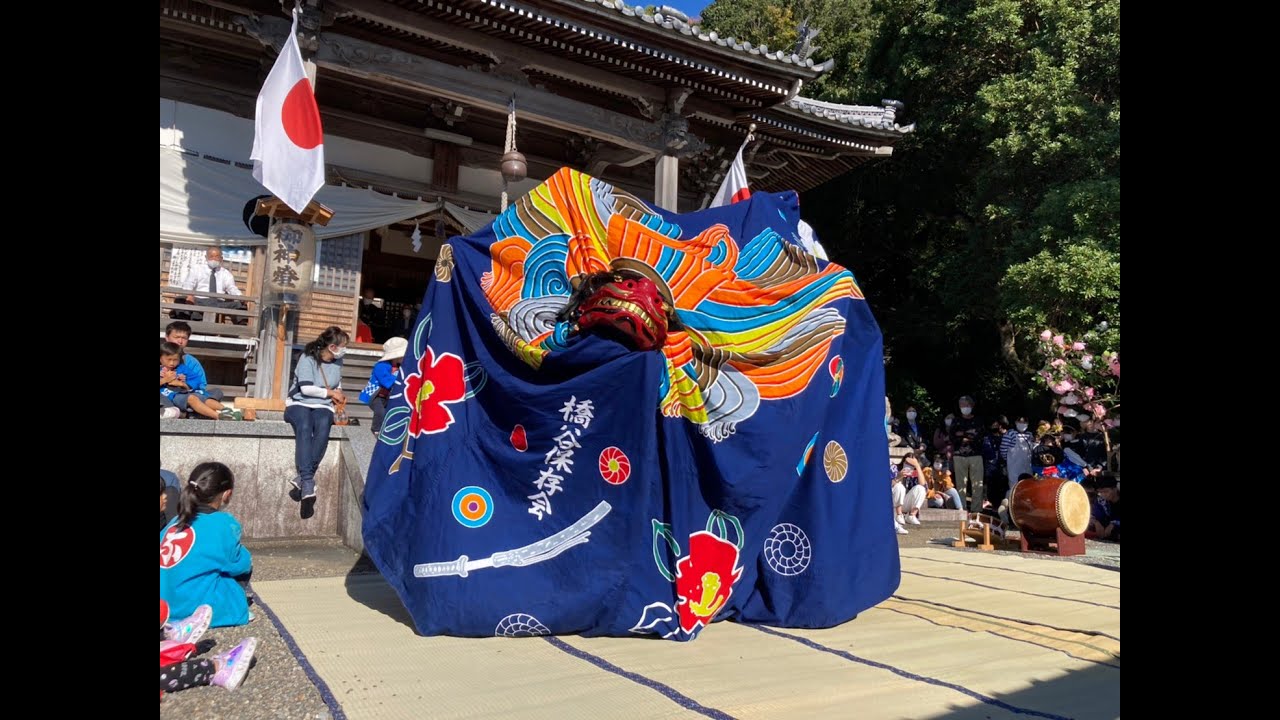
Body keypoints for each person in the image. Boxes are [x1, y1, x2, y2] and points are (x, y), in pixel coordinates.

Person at [160, 462, 253, 627]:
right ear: (227, 494)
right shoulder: (224, 523)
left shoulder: (174, 522)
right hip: (191, 609)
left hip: (164, 607)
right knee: (236, 565)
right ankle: (231, 607)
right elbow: (241, 565)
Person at [285, 326, 349, 519]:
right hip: (299, 403)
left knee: (322, 428)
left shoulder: (338, 362)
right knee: (304, 426)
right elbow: (305, 389)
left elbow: (337, 384)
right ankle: (308, 480)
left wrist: (337, 394)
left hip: (324, 406)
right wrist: (331, 393)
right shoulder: (307, 358)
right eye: (343, 346)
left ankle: (303, 480)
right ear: (332, 346)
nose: (344, 350)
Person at [161, 341, 227, 420]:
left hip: (188, 393)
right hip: (173, 397)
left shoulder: (182, 368)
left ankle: (226, 411)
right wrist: (165, 380)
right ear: (160, 358)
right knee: (192, 398)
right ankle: (218, 416)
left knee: (211, 393)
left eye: (175, 360)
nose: (172, 363)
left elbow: (196, 380)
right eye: (168, 359)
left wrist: (182, 384)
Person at [179, 247, 245, 323]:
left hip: (218, 303)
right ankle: (182, 325)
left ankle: (241, 331)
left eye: (217, 256)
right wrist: (189, 295)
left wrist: (240, 296)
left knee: (241, 305)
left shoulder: (226, 274)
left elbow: (231, 288)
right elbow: (189, 283)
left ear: (221, 258)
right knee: (180, 300)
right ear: (206, 257)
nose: (214, 259)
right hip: (200, 300)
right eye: (211, 256)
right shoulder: (197, 269)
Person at [360, 336, 407, 436]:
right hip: (375, 395)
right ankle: (375, 430)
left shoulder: (399, 367)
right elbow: (387, 382)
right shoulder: (381, 366)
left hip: (388, 396)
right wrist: (399, 375)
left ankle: (386, 430)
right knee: (380, 412)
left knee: (389, 413)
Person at [950, 396, 986, 511]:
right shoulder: (956, 420)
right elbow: (952, 436)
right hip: (959, 455)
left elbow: (979, 436)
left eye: (966, 405)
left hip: (976, 454)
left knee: (977, 485)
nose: (964, 408)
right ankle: (962, 509)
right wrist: (965, 437)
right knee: (961, 484)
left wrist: (962, 434)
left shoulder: (978, 421)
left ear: (971, 405)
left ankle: (976, 510)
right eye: (961, 406)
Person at [1000, 416, 1036, 498]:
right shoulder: (1010, 433)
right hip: (1014, 465)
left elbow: (1032, 449)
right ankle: (1011, 505)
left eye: (1024, 422)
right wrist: (1009, 460)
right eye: (1020, 422)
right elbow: (1003, 449)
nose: (1022, 424)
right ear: (1016, 422)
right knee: (1014, 486)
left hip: (1027, 465)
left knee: (1028, 485)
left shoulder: (1029, 434)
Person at [1088, 474, 1121, 541]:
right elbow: (1093, 514)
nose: (1103, 495)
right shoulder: (1101, 500)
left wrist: (1113, 524)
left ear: (1114, 489)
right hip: (1105, 528)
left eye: (1106, 491)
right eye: (1100, 492)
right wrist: (1096, 522)